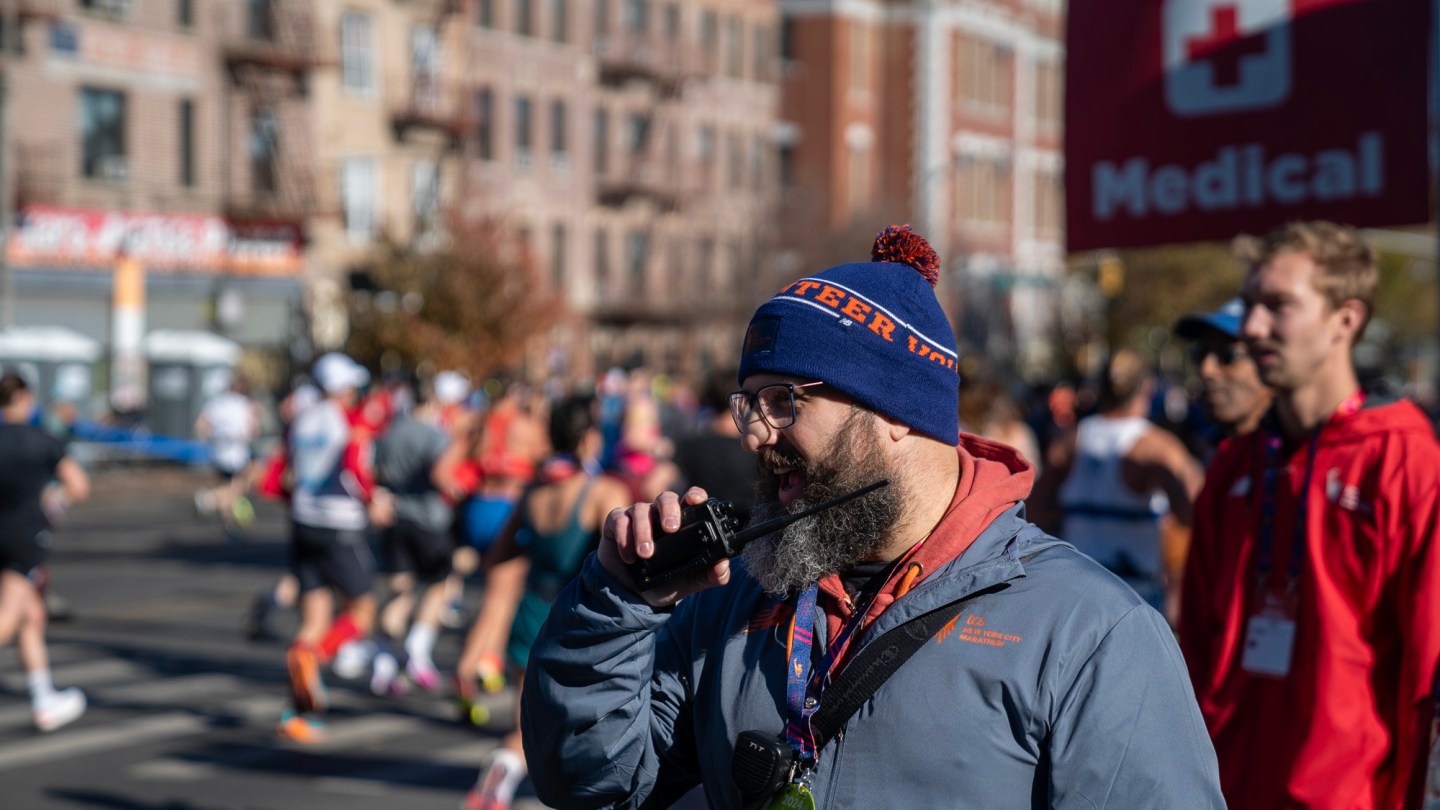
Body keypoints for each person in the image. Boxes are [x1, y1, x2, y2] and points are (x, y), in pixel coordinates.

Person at [520, 226, 1223, 808]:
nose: (757, 435)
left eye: (784, 402)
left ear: (894, 412)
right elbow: (593, 783)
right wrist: (618, 604)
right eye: (749, 405)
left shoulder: (1088, 631)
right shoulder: (730, 596)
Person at [1179, 222, 1440, 809]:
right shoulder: (1231, 469)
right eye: (1249, 305)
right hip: (1225, 788)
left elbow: (1425, 669)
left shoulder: (1406, 461)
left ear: (1345, 319)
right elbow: (1194, 642)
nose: (1252, 328)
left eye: (1278, 306)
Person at [462, 393, 631, 810]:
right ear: (589, 438)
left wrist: (536, 550)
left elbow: (497, 554)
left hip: (531, 613)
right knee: (578, 731)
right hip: (577, 621)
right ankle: (506, 769)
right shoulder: (601, 492)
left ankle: (502, 770)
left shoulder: (533, 492)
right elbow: (630, 556)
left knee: (531, 722)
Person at [1038, 348, 1204, 621]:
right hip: (1134, 597)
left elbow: (1036, 512)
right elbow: (1192, 513)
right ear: (1147, 388)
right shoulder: (1157, 448)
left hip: (1073, 591)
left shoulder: (1068, 444)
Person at [276, 352, 380, 742]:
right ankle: (316, 657)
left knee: (312, 619)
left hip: (304, 522)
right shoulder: (348, 421)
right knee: (364, 611)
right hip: (340, 525)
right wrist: (375, 500)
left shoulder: (301, 417)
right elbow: (355, 468)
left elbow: (284, 472)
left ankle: (296, 714)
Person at [366, 371, 468, 695]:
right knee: (440, 584)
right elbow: (442, 475)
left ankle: (383, 666)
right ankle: (417, 649)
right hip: (429, 520)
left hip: (396, 519)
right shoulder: (436, 435)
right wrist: (458, 491)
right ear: (434, 401)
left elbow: (375, 471)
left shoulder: (390, 432)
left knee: (399, 592)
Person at [0, 372, 90, 731]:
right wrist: (55, 502)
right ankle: (45, 699)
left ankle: (44, 698)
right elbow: (78, 486)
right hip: (25, 535)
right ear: (24, 398)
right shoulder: (42, 440)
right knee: (11, 610)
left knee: (32, 616)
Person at [1174, 298, 1273, 444]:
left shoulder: (1303, 456)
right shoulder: (1203, 451)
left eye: (1228, 355)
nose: (1206, 370)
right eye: (1200, 354)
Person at [671, 368, 756, 527]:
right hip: (750, 533)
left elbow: (659, 482)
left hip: (707, 532)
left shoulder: (690, 445)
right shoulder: (755, 449)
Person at [193, 375, 262, 534]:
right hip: (236, 455)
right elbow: (253, 430)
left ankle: (231, 523)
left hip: (217, 453)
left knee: (228, 488)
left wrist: (214, 438)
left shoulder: (217, 403)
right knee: (238, 487)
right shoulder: (244, 404)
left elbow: (201, 426)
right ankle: (208, 500)